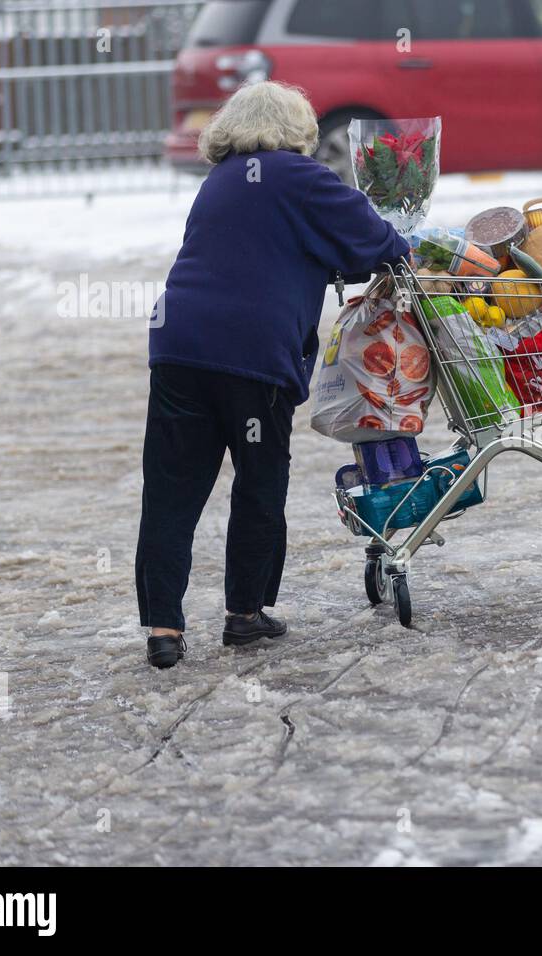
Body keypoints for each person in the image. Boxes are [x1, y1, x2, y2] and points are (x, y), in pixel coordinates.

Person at [137, 81, 410, 669]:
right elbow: (378, 244)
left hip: (179, 345)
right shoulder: (298, 176)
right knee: (259, 481)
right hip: (252, 355)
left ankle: (163, 629)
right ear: (298, 130)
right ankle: (244, 613)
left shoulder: (221, 181)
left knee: (171, 491)